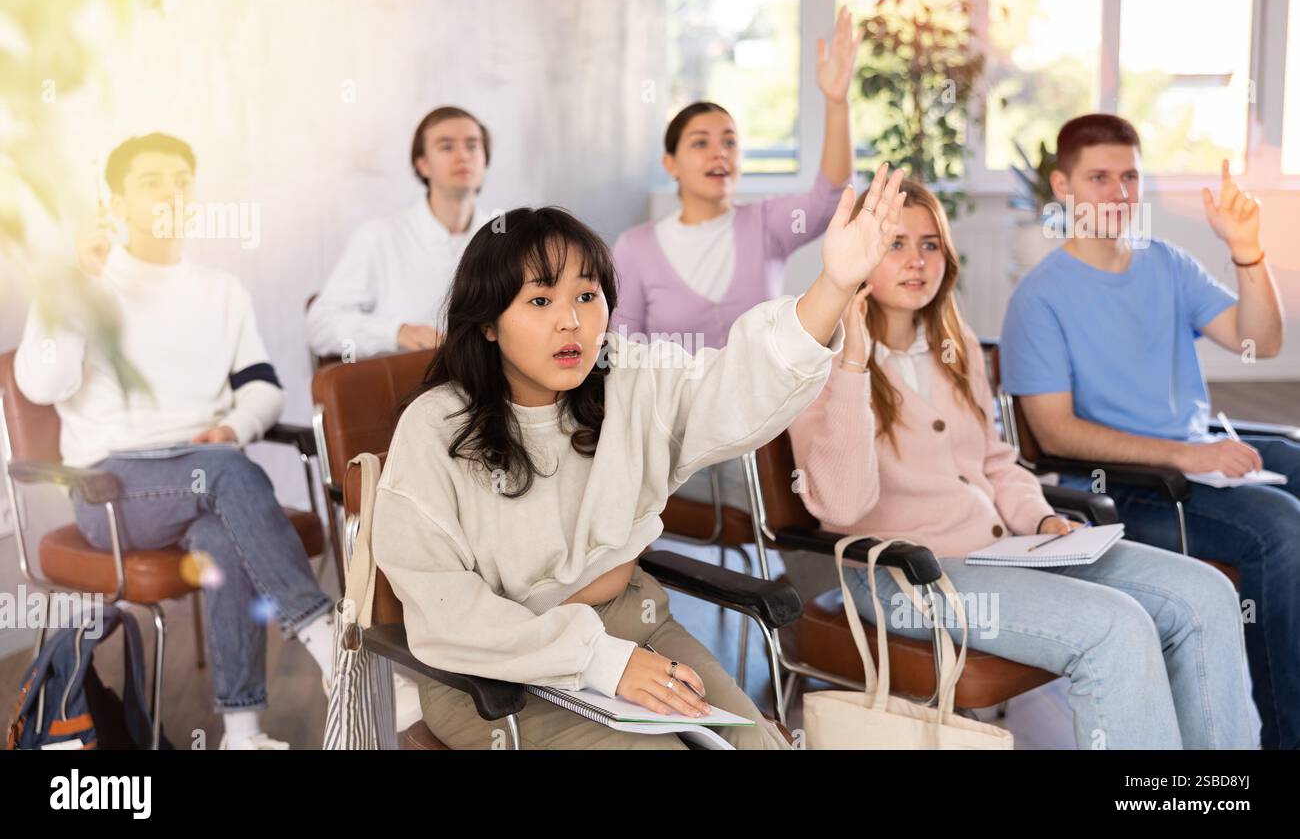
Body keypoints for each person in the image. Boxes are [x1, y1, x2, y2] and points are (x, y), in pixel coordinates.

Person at [370, 166, 908, 749]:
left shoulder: (627, 378)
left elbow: (734, 385)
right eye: (540, 300)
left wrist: (831, 284)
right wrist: (602, 662)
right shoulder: (437, 428)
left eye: (586, 295)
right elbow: (447, 611)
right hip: (494, 673)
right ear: (489, 322)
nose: (570, 321)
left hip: (635, 624)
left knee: (757, 745)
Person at [787, 180, 1255, 749]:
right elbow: (842, 503)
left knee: (1206, 593)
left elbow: (996, 462)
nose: (917, 260)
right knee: (1115, 627)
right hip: (902, 577)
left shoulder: (954, 348)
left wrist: (1041, 521)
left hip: (1002, 551)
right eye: (895, 244)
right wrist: (855, 367)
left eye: (931, 244)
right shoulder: (820, 362)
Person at [14, 133, 335, 750]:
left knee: (222, 529)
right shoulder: (83, 283)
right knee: (227, 474)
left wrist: (235, 428)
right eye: (150, 182)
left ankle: (243, 734)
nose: (170, 193)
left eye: (180, 180)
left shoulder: (221, 291)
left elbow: (264, 388)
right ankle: (330, 643)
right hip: (111, 490)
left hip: (205, 479)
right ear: (116, 201)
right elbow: (42, 381)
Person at [999, 113, 1296, 749]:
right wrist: (1188, 455)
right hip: (1122, 488)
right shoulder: (1039, 297)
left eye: (1129, 176)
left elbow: (1261, 341)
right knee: (1279, 527)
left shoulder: (1169, 264)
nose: (1117, 193)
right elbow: (1054, 435)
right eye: (1098, 177)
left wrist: (1248, 248)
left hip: (1194, 462)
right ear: (1063, 186)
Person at [608, 7, 860, 526]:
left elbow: (831, 194)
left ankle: (828, 581)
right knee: (815, 492)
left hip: (768, 424)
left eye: (729, 142)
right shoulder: (634, 247)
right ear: (671, 164)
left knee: (830, 471)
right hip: (687, 439)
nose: (719, 152)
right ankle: (825, 579)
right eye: (700, 142)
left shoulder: (764, 224)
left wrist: (836, 102)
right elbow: (619, 355)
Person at [306, 106, 493, 361]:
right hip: (411, 391)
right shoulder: (378, 238)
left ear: (485, 159)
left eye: (472, 146)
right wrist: (396, 333)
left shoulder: (504, 238)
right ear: (423, 165)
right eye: (447, 147)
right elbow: (320, 325)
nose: (463, 156)